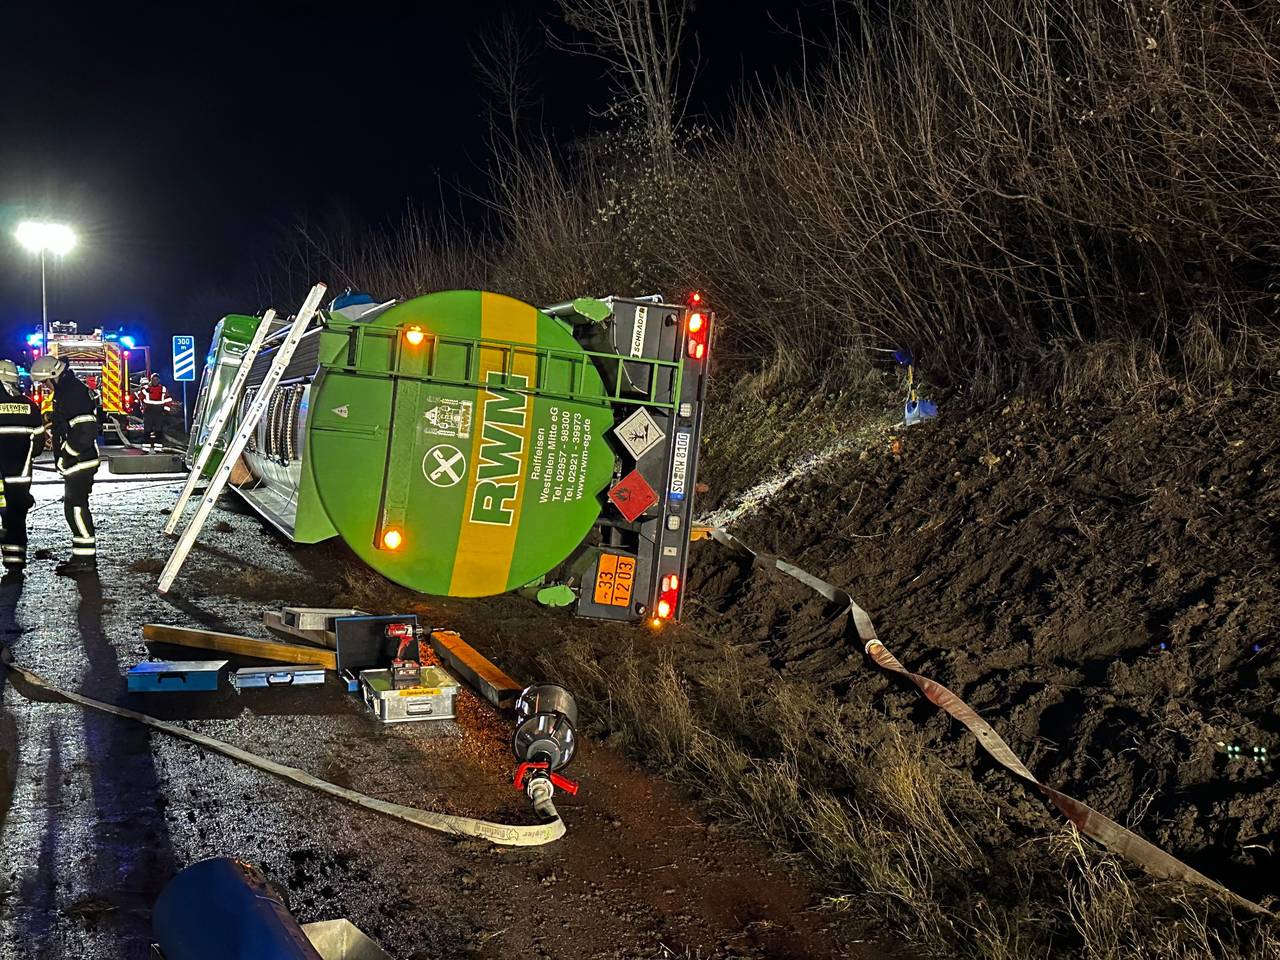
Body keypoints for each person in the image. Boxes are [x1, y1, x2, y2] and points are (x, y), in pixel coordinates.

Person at [29, 356, 99, 575]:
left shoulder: (71, 393)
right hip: (79, 461)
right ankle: (81, 557)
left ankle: (85, 561)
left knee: (76, 508)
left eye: (44, 383)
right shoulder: (69, 390)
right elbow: (72, 424)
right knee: (73, 507)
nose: (44, 387)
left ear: (53, 376)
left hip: (79, 462)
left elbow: (85, 430)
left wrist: (67, 455)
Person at [0, 360, 46, 575]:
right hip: (19, 478)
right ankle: (14, 562)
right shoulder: (30, 406)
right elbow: (38, 443)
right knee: (16, 517)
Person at [142, 372, 171, 451]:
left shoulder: (163, 389)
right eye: (153, 379)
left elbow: (168, 399)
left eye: (156, 379)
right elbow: (141, 398)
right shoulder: (146, 389)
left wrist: (166, 410)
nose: (155, 381)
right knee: (147, 430)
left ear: (159, 380)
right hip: (149, 411)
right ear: (151, 380)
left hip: (159, 412)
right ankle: (146, 448)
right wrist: (142, 408)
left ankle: (158, 448)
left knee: (158, 430)